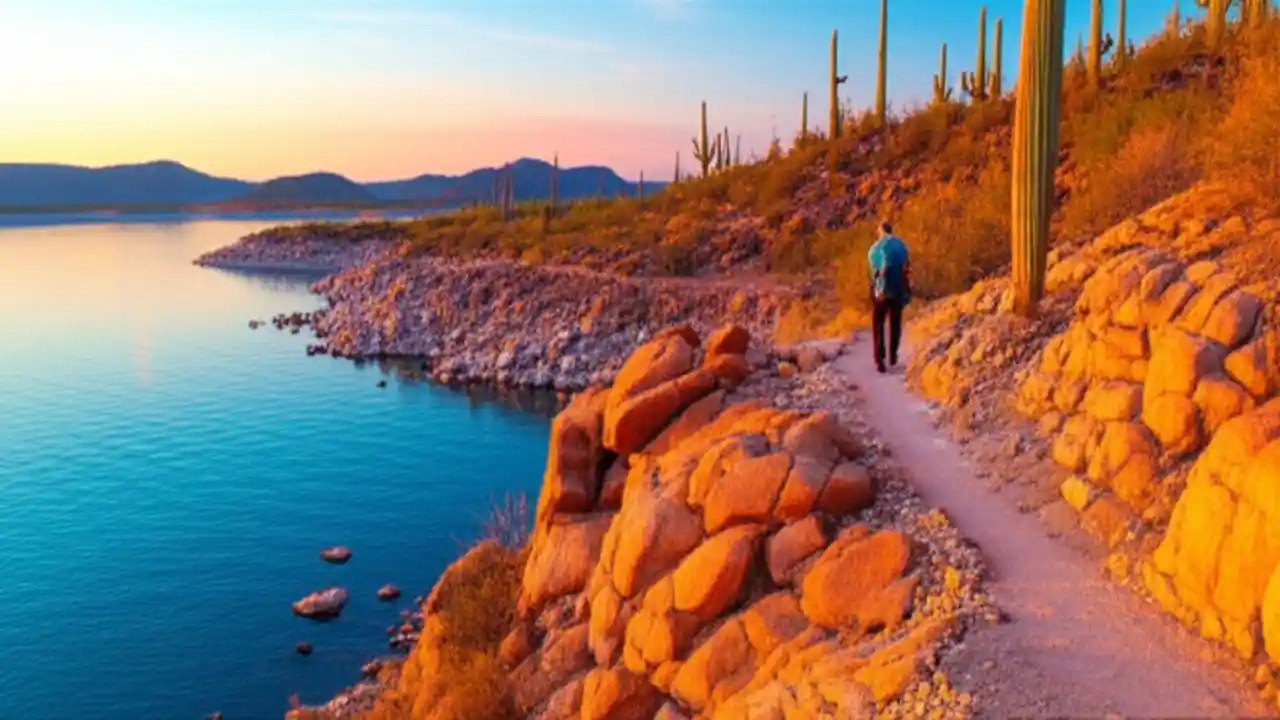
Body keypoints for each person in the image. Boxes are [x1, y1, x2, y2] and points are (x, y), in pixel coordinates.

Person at [867, 221, 911, 373]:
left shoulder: (874, 248)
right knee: (895, 321)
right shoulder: (901, 246)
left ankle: (880, 359)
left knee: (878, 322)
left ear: (880, 231)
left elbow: (873, 271)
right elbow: (906, 267)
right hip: (897, 288)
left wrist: (878, 287)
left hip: (880, 290)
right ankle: (892, 354)